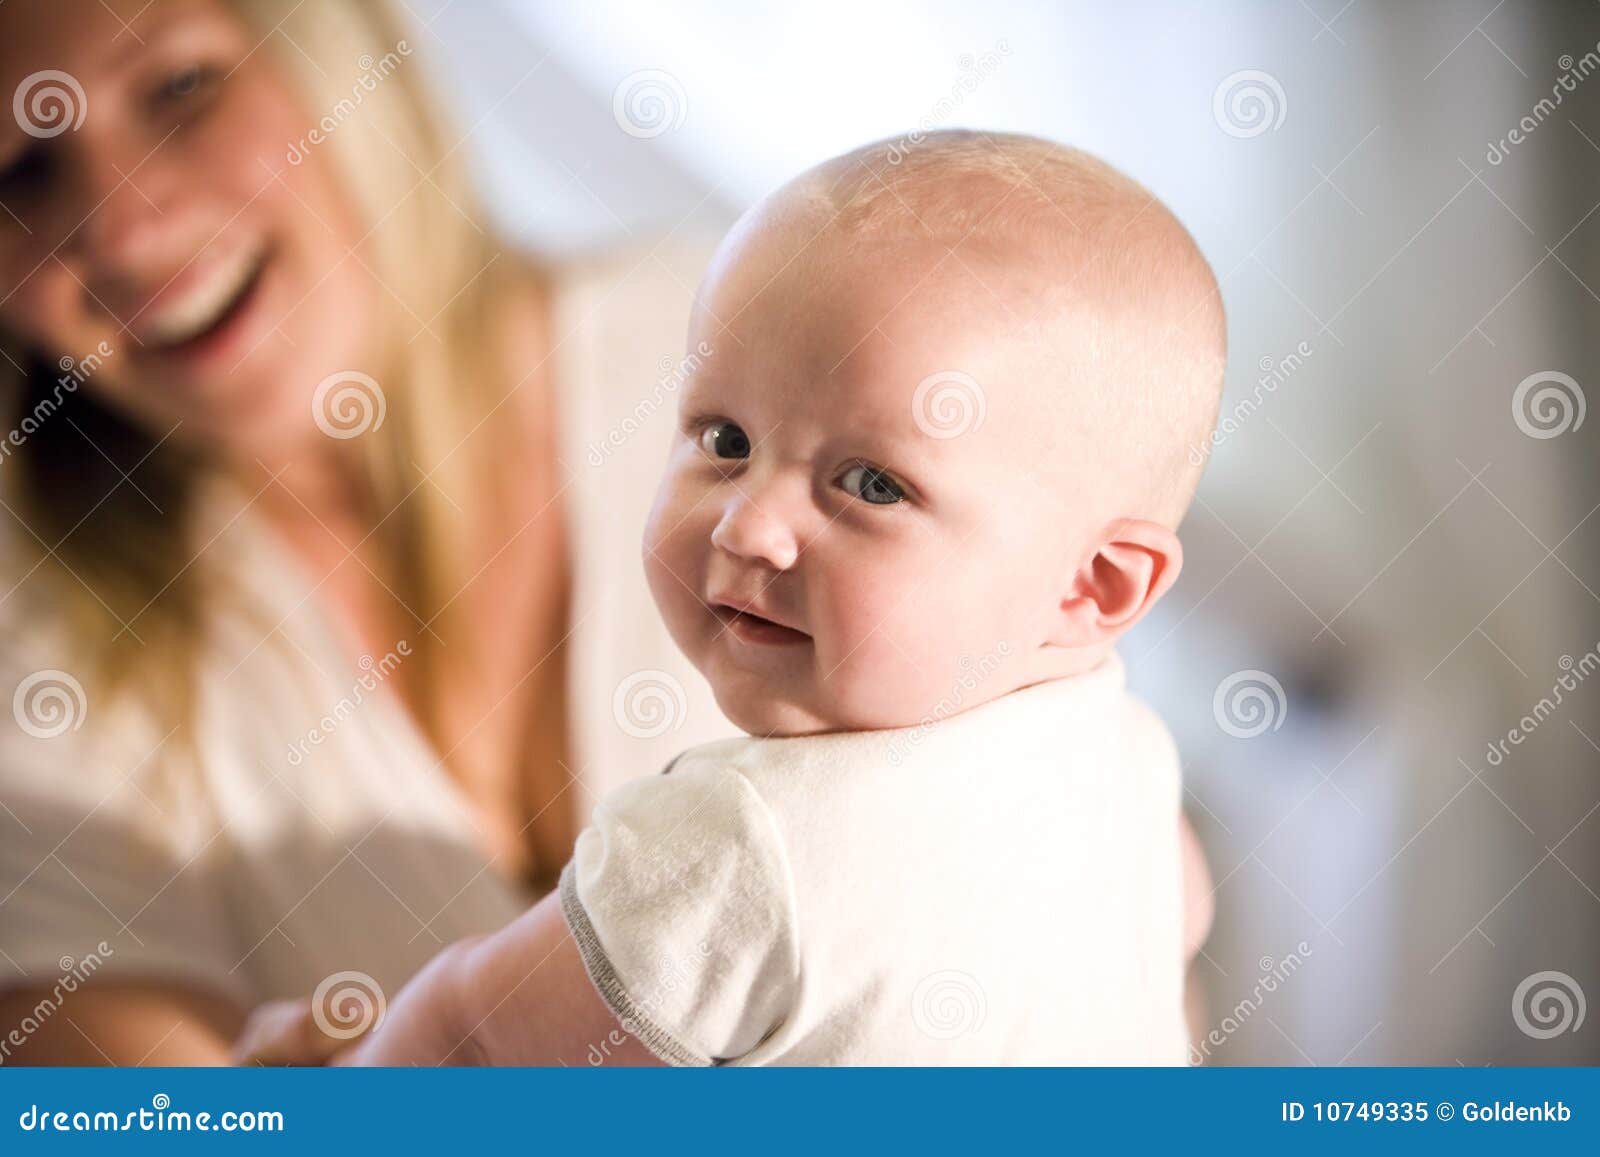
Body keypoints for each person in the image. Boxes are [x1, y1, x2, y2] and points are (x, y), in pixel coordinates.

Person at [0, 0, 1210, 1065]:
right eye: (18, 169)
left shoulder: (770, 332)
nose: (122, 224)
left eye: (179, 86)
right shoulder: (32, 634)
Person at [236, 130, 1223, 1065]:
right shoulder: (1128, 758)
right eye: (723, 439)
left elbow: (476, 1045)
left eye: (871, 483)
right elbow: (1177, 917)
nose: (744, 526)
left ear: (1092, 585)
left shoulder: (737, 841)